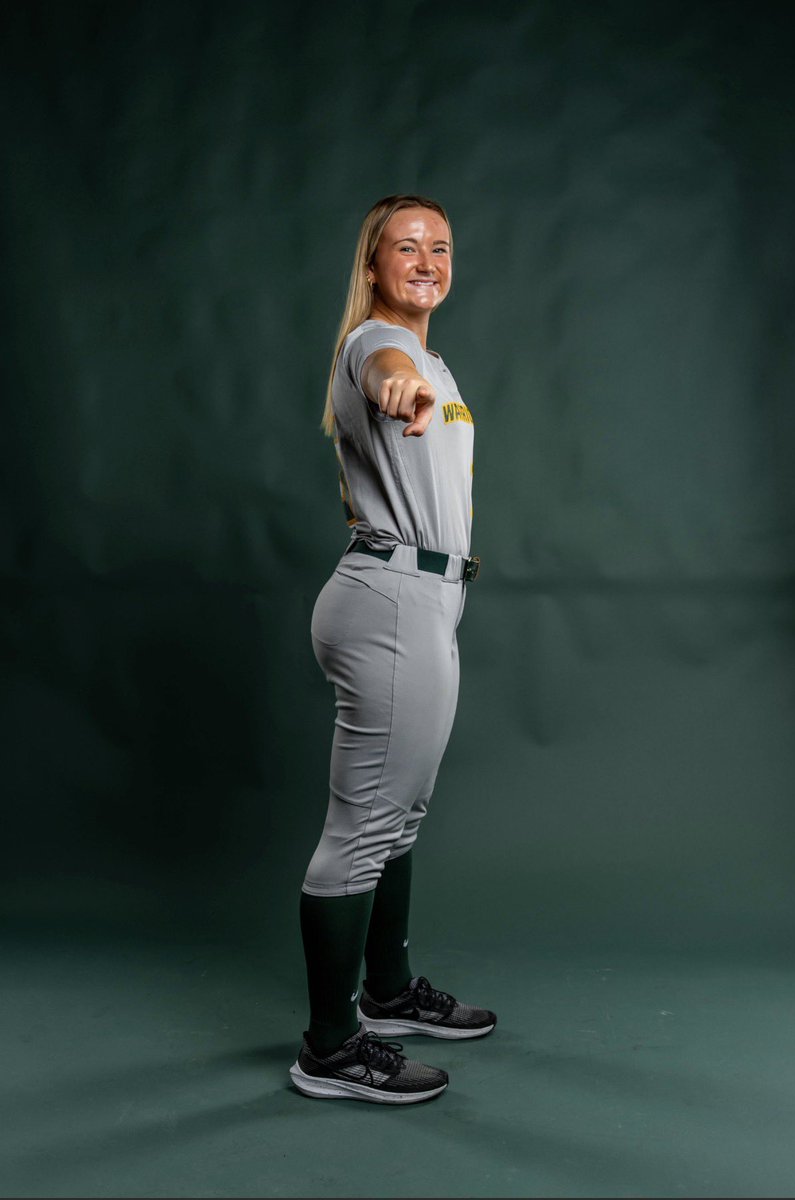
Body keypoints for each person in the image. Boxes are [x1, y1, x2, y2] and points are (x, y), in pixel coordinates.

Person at [289, 194, 496, 1105]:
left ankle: (387, 993)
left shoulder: (432, 358)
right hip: (392, 601)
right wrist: (396, 388)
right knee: (364, 828)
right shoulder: (378, 344)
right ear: (372, 265)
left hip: (422, 599)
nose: (425, 261)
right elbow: (382, 371)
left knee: (398, 814)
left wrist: (419, 381)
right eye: (405, 247)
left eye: (439, 247)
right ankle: (331, 1049)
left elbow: (412, 376)